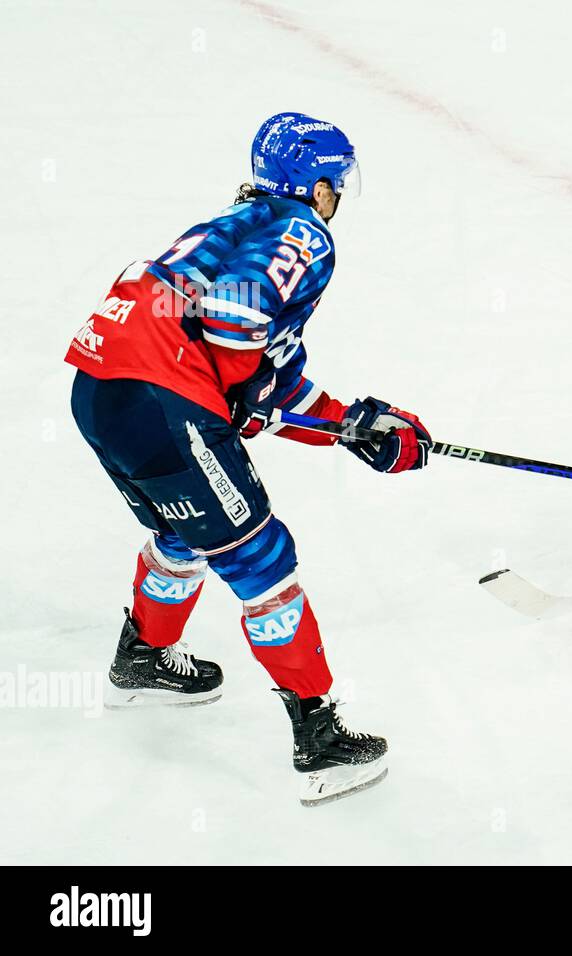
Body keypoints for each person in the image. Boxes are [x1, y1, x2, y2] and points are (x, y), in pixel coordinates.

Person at [64, 112, 432, 804]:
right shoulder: (304, 233)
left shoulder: (235, 224)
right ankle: (321, 743)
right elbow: (237, 322)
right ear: (314, 182)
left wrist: (353, 427)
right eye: (333, 181)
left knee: (185, 529)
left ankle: (143, 659)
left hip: (102, 389)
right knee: (261, 557)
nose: (337, 196)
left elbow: (273, 375)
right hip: (162, 396)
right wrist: (240, 389)